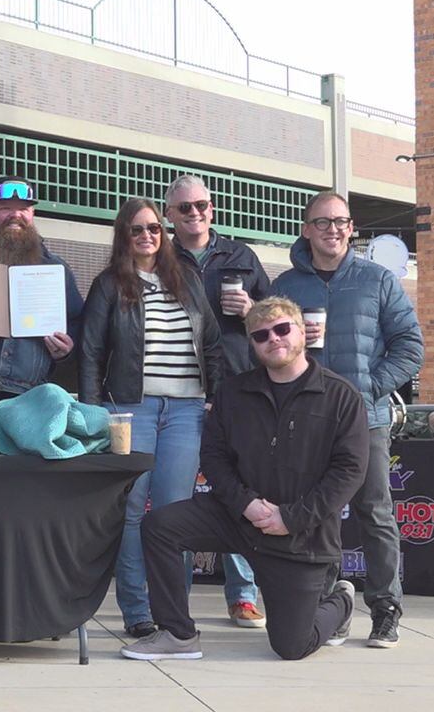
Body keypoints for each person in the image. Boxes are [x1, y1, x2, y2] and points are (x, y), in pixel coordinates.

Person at [120, 297, 367, 661]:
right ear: (252, 344)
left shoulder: (341, 396)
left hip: (299, 534)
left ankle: (341, 601)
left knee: (292, 646)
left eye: (282, 329)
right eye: (261, 335)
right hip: (238, 518)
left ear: (302, 331)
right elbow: (215, 458)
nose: (274, 339)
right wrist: (246, 504)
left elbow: (349, 472)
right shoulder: (235, 392)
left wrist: (290, 518)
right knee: (160, 525)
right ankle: (177, 633)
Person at [272, 191, 424, 648]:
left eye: (340, 221)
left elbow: (410, 347)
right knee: (317, 518)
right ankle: (329, 608)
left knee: (374, 513)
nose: (332, 230)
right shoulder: (286, 286)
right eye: (322, 222)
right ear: (306, 229)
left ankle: (385, 610)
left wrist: (368, 389)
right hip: (307, 421)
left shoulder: (377, 280)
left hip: (366, 418)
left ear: (352, 228)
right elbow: (269, 349)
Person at [77, 197, 222, 639]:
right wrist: (93, 411)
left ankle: (174, 611)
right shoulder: (108, 285)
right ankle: (137, 611)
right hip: (129, 409)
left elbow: (212, 342)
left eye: (154, 229)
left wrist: (214, 397)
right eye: (137, 230)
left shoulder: (188, 281)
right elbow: (90, 353)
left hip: (185, 410)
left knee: (175, 515)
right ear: (124, 235)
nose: (147, 236)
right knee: (133, 514)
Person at [166, 174, 271, 628]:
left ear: (213, 208)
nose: (195, 213)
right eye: (185, 208)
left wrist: (251, 310)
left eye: (202, 205)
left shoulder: (241, 256)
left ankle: (243, 595)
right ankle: (175, 593)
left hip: (238, 390)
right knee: (178, 497)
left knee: (243, 490)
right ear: (170, 215)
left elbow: (276, 318)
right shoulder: (158, 256)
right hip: (181, 390)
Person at [0, 176, 83, 401]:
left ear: (32, 214)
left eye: (24, 209)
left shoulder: (55, 268)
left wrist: (66, 350)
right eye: (5, 208)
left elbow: (78, 323)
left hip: (29, 398)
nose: (15, 215)